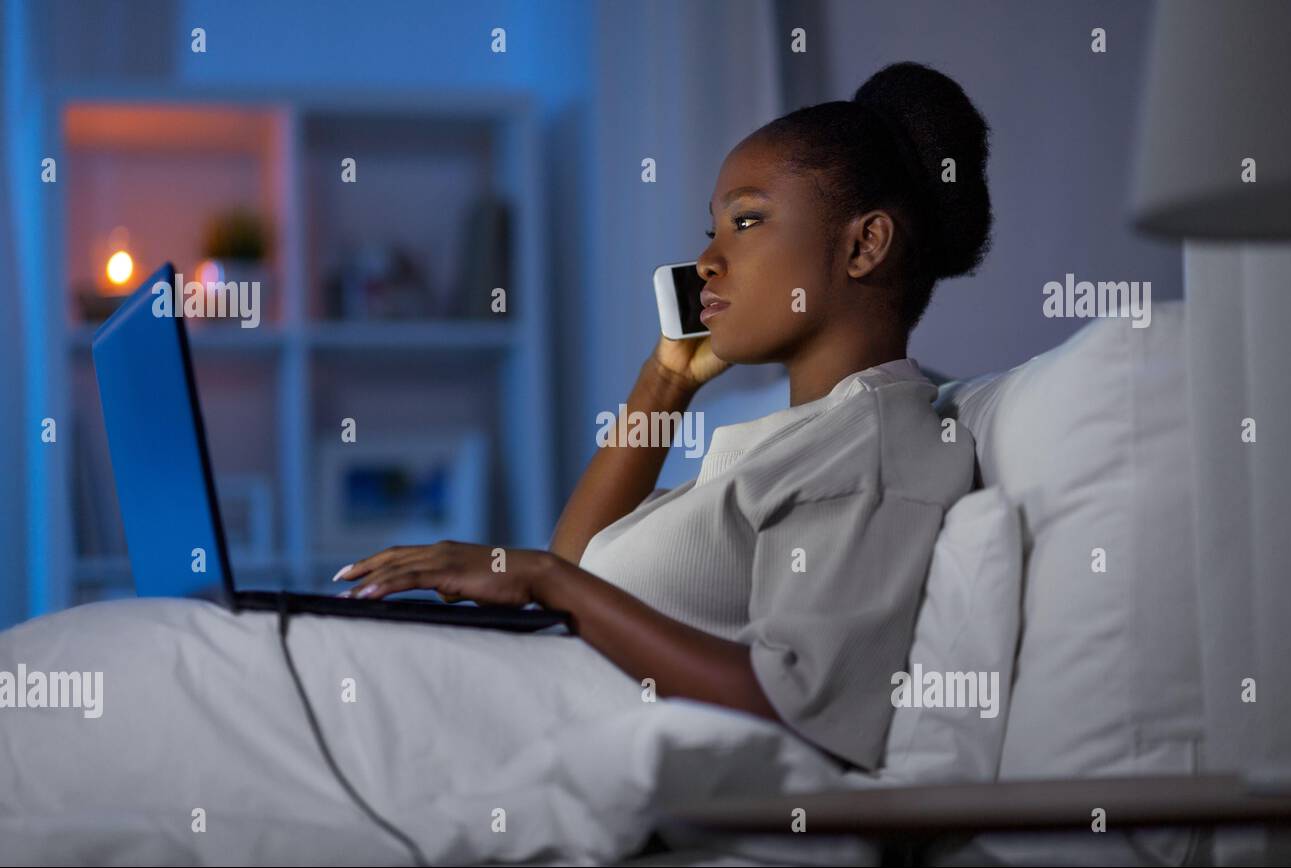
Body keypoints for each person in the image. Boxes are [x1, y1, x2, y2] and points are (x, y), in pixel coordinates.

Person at [334, 60, 992, 773]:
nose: (707, 260)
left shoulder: (878, 448)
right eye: (712, 230)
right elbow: (578, 563)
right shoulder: (805, 434)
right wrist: (665, 384)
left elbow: (799, 709)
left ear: (864, 245)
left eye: (747, 221)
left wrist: (544, 583)